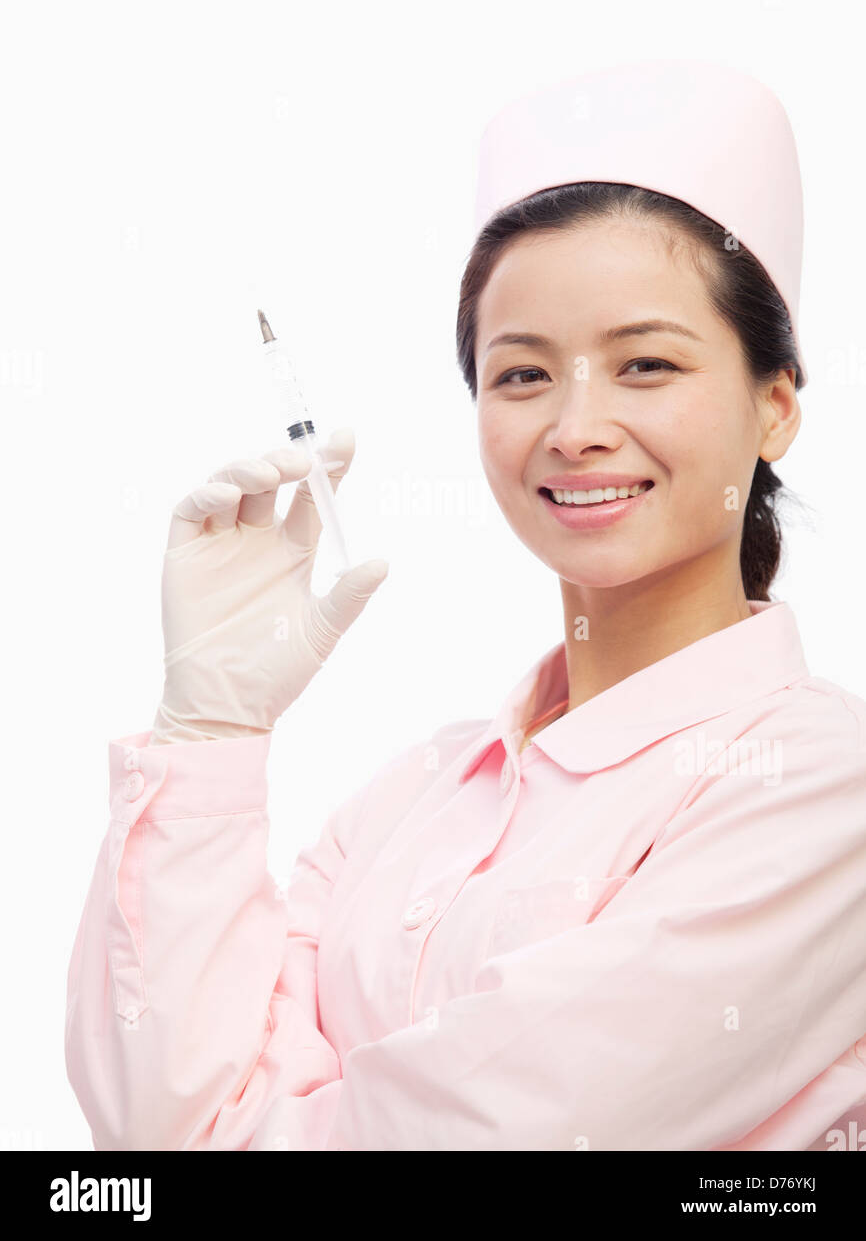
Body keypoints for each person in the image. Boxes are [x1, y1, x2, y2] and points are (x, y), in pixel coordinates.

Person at [65, 60, 866, 1151]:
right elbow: (156, 1129)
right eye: (522, 374)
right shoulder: (410, 801)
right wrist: (208, 731)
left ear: (772, 407)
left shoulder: (824, 788)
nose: (575, 426)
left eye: (644, 364)